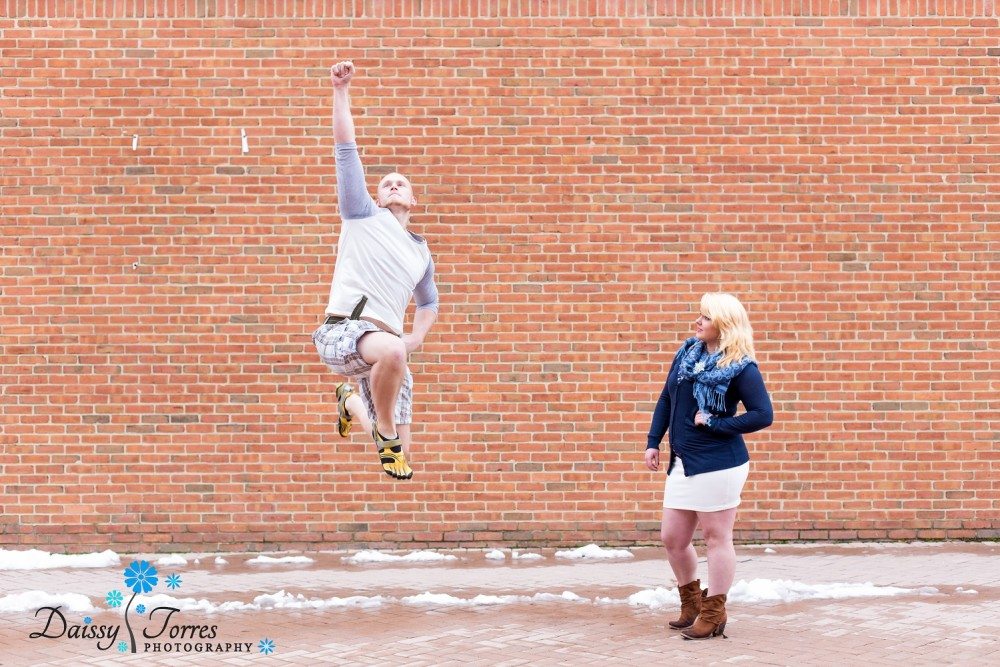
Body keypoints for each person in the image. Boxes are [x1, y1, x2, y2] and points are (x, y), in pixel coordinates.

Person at [311, 61, 440, 481]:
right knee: (392, 354)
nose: (393, 186)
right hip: (342, 331)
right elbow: (345, 148)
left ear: (414, 200)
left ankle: (351, 404)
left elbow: (429, 301)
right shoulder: (362, 214)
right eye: (386, 184)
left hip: (384, 350)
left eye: (401, 183)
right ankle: (382, 426)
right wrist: (340, 90)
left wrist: (417, 335)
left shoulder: (420, 252)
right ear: (378, 199)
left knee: (402, 454)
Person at [644, 293, 773, 639]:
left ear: (724, 324)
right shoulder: (688, 354)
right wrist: (654, 440)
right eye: (699, 316)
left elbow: (763, 414)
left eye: (705, 317)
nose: (697, 322)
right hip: (684, 461)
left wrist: (716, 424)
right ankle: (691, 604)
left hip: (720, 464)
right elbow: (667, 397)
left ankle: (714, 612)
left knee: (716, 538)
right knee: (673, 537)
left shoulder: (742, 366)